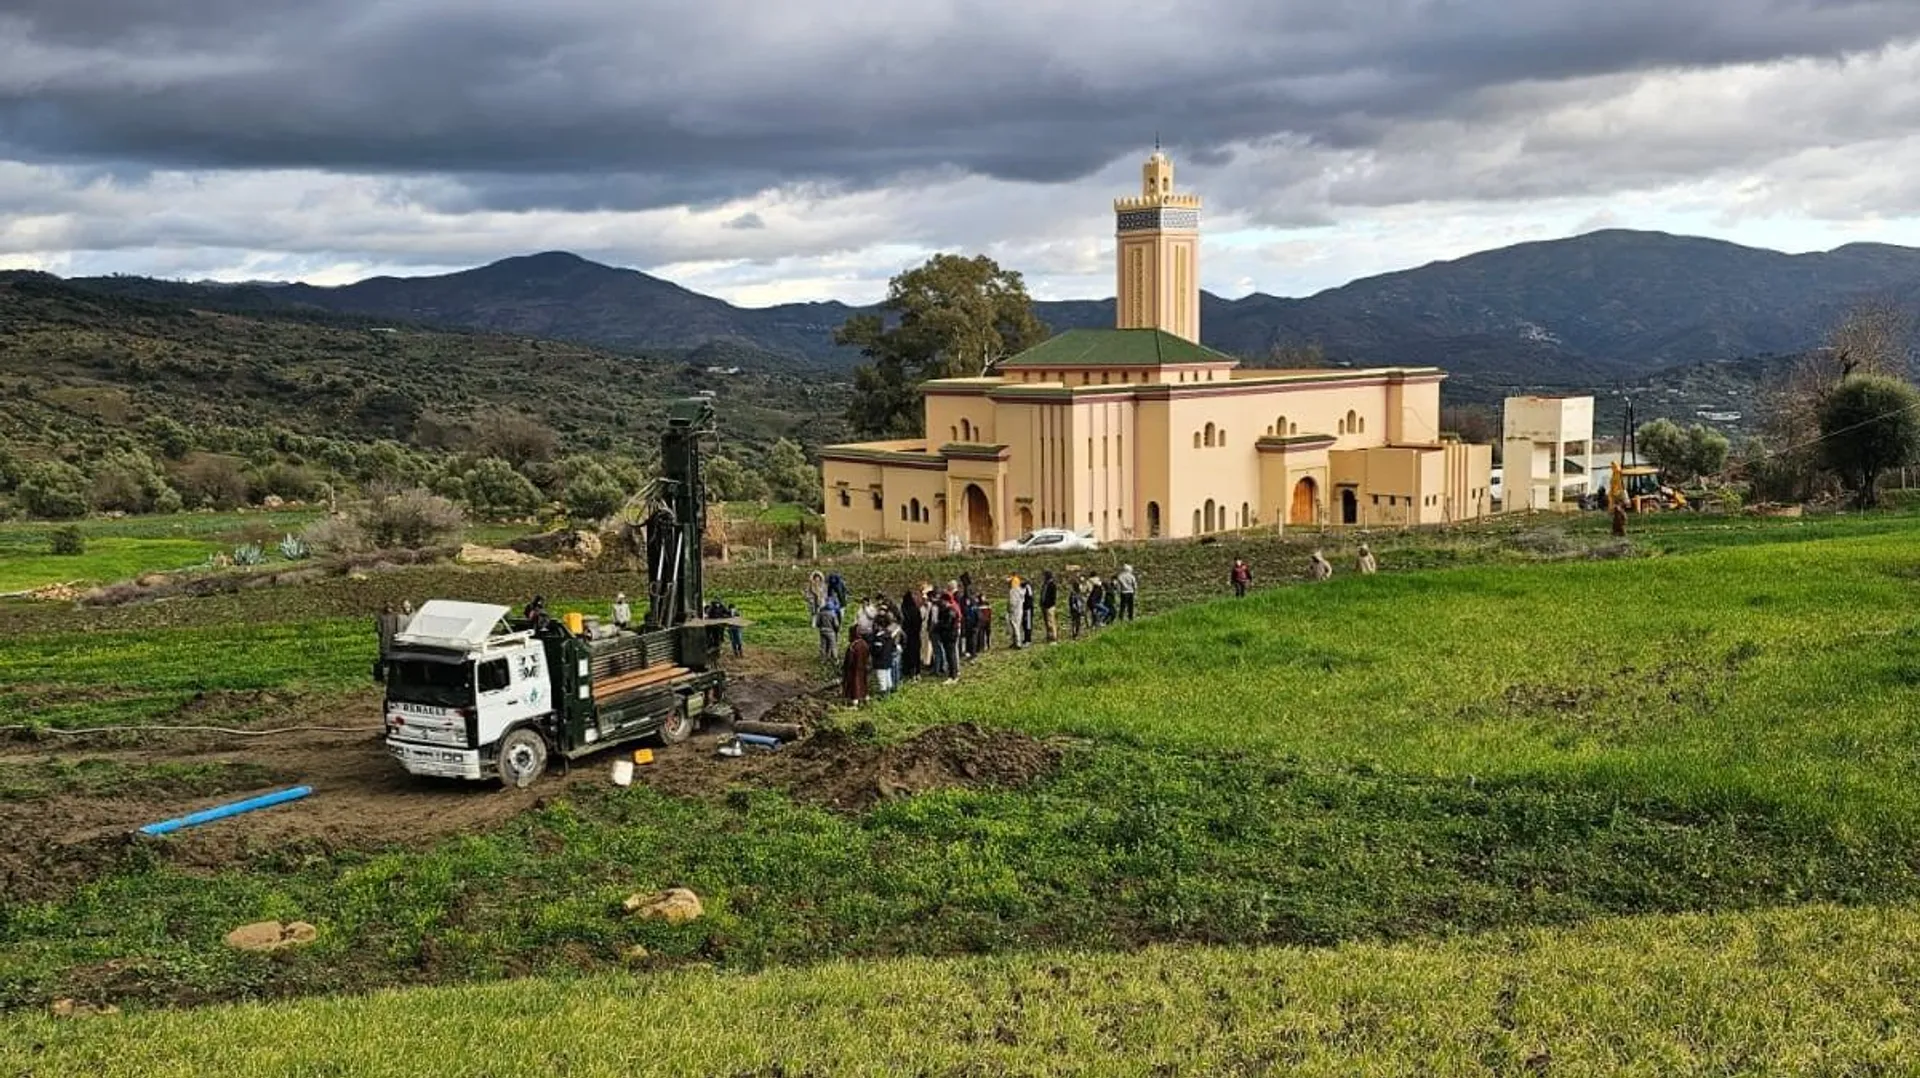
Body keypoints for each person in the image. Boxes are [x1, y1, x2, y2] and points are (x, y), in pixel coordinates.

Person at [932, 584, 963, 683]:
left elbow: (947, 624)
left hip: (950, 635)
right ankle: (952, 674)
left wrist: (937, 626)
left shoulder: (950, 611)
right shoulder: (950, 609)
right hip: (949, 635)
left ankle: (953, 676)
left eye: (942, 601)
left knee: (951, 655)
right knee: (951, 655)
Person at [841, 629, 871, 707]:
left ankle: (855, 700)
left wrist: (845, 668)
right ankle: (865, 698)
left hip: (854, 669)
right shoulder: (864, 643)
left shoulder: (853, 646)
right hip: (863, 667)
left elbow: (849, 659)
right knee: (864, 682)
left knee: (855, 684)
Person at [374, 602, 402, 681]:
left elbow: (397, 627)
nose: (389, 609)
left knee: (393, 659)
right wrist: (381, 636)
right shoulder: (381, 616)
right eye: (388, 607)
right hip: (384, 640)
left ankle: (392, 676)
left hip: (393, 640)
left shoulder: (395, 616)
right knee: (384, 659)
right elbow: (379, 628)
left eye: (391, 607)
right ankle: (383, 677)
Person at [900, 585, 924, 679]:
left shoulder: (904, 610)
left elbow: (903, 622)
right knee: (916, 654)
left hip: (908, 636)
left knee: (907, 654)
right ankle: (917, 672)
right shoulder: (916, 610)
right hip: (916, 635)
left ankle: (908, 671)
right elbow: (919, 621)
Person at [870, 616, 898, 696]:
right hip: (888, 660)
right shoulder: (889, 635)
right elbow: (893, 647)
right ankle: (890, 691)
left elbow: (876, 651)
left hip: (880, 661)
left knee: (881, 679)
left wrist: (872, 651)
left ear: (879, 626)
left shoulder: (878, 638)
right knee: (888, 676)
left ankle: (883, 694)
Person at [815, 599, 841, 665]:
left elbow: (817, 623)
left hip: (822, 631)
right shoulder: (833, 614)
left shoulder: (821, 614)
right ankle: (835, 660)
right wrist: (836, 630)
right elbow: (836, 625)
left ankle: (823, 660)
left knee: (823, 646)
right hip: (830, 631)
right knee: (833, 646)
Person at [1006, 575, 1028, 649]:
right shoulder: (1021, 590)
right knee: (1016, 626)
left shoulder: (1013, 591)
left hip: (1014, 610)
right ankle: (1015, 642)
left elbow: (1012, 602)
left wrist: (1009, 609)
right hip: (1019, 609)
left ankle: (1017, 643)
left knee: (1015, 626)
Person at [1040, 570, 1059, 642]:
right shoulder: (1045, 584)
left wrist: (1049, 604)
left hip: (1050, 606)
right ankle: (1049, 636)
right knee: (1047, 623)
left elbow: (1053, 597)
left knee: (1051, 622)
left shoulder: (1052, 585)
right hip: (1044, 606)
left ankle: (1054, 637)